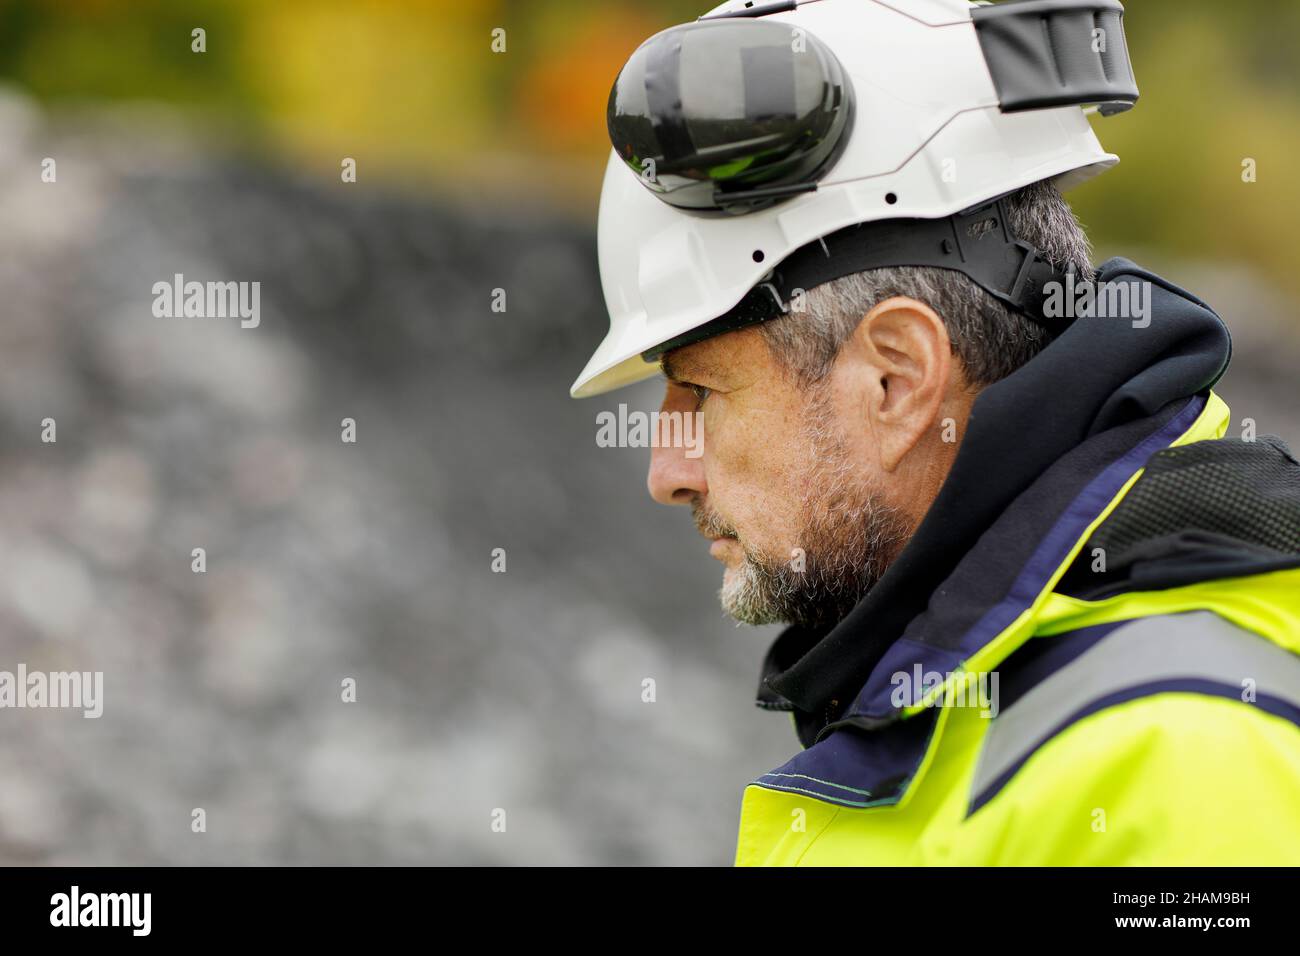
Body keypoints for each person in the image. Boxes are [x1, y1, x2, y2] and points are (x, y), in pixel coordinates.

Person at [570, 0, 1300, 864]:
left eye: (700, 390)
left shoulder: (1182, 763)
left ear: (897, 379)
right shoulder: (955, 691)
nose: (667, 471)